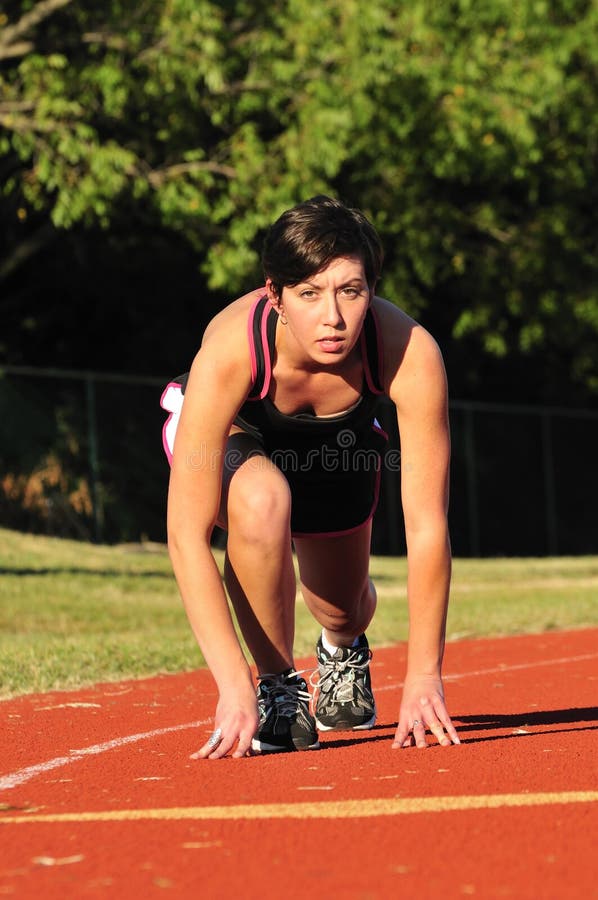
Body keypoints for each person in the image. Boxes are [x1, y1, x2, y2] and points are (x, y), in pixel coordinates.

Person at [162, 195, 460, 758]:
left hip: (335, 448)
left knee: (341, 606)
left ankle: (343, 647)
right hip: (235, 436)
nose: (333, 317)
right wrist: (235, 685)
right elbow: (186, 534)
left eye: (350, 290)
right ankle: (278, 685)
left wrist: (424, 675)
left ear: (372, 287)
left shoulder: (409, 352)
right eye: (309, 294)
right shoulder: (230, 347)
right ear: (274, 295)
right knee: (262, 499)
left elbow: (426, 527)